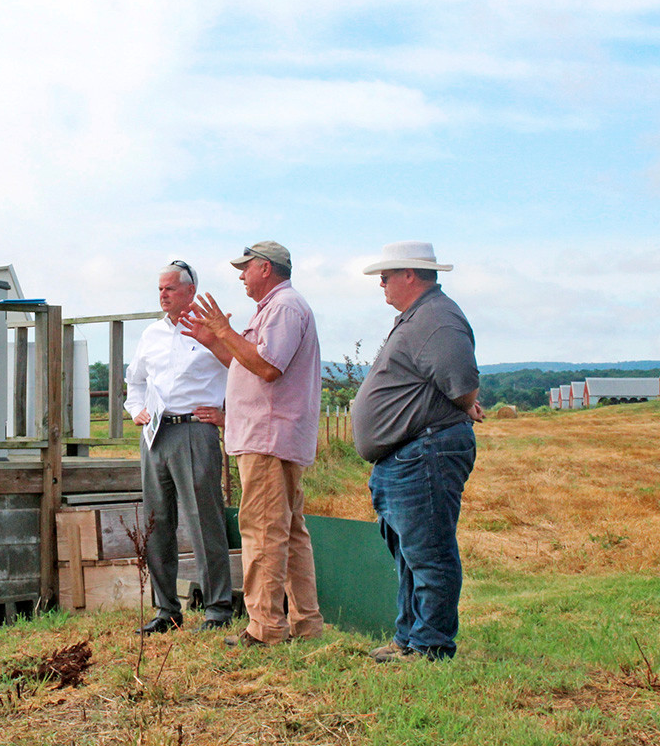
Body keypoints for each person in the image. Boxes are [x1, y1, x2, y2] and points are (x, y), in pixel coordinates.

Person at [182, 242, 324, 647]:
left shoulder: (283, 308)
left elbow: (267, 367)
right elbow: (249, 365)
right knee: (290, 532)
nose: (241, 275)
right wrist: (215, 343)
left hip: (268, 437)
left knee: (262, 532)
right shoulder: (278, 308)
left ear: (265, 268)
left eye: (245, 268)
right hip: (273, 437)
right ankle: (305, 623)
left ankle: (264, 629)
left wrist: (225, 331)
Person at [350, 241, 483, 663]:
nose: (382, 283)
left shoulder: (437, 320)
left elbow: (461, 382)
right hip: (407, 453)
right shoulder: (419, 317)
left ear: (412, 275)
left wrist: (465, 404)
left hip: (425, 450)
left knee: (428, 552)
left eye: (387, 275)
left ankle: (430, 646)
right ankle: (410, 637)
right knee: (410, 552)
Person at [125, 261, 234, 634]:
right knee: (158, 524)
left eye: (170, 288)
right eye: (160, 289)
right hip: (156, 433)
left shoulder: (210, 332)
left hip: (195, 430)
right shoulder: (151, 335)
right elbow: (135, 382)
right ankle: (166, 610)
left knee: (205, 521)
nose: (163, 295)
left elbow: (242, 372)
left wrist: (226, 413)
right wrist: (136, 410)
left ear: (190, 291)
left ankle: (218, 608)